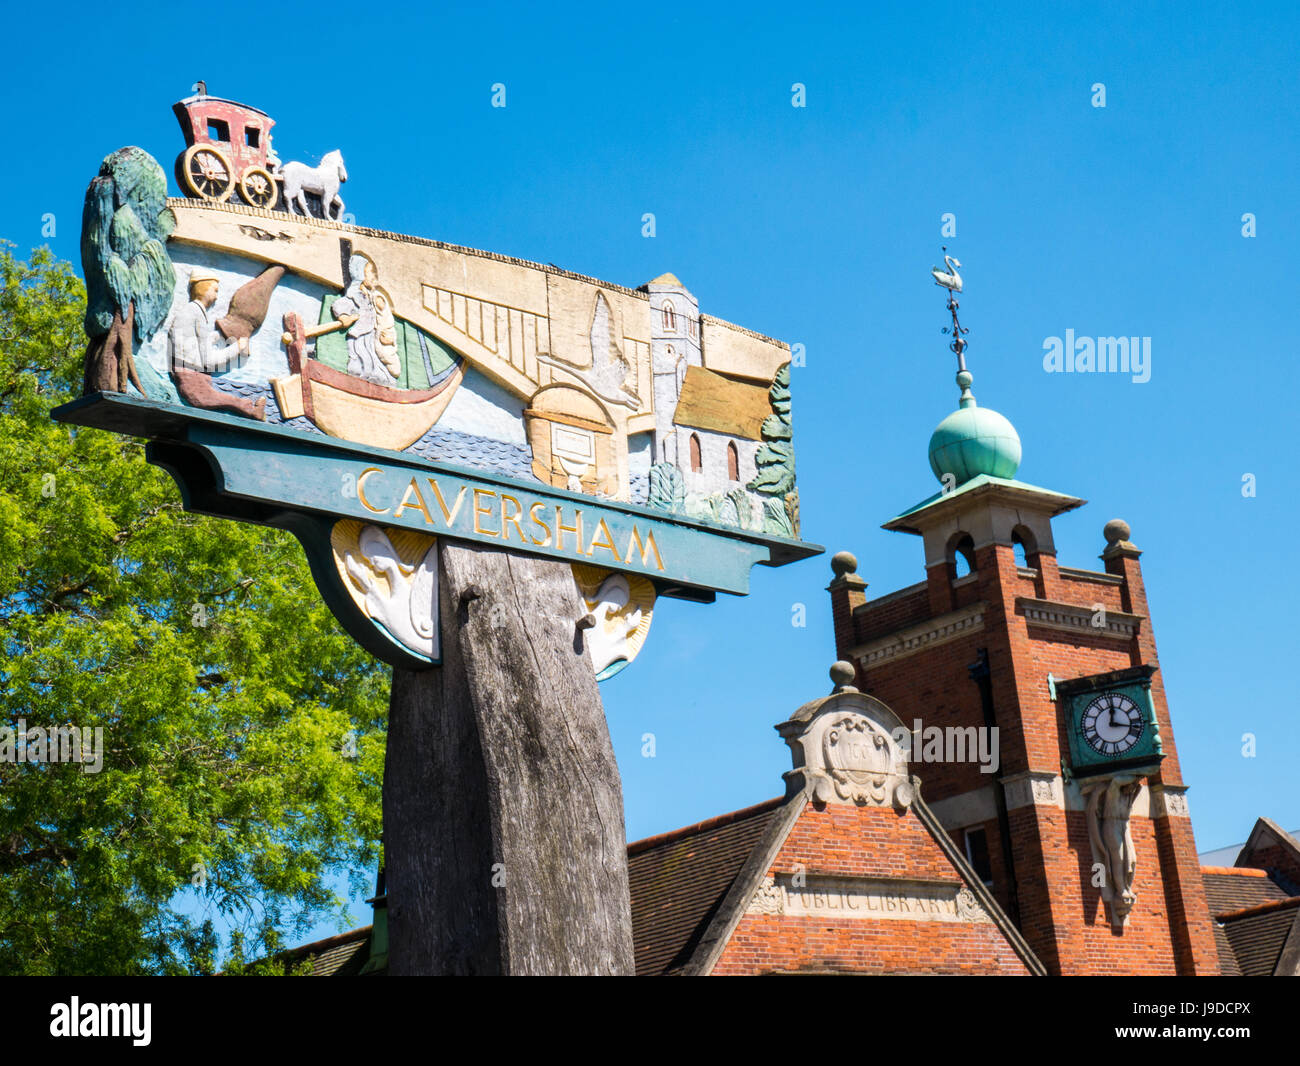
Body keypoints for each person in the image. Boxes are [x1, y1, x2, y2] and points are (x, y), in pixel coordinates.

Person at [168, 270, 266, 420]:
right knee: (230, 401)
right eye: (215, 291)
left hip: (191, 376)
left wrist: (215, 336)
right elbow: (208, 362)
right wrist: (236, 348)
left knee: (226, 399)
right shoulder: (196, 315)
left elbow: (195, 347)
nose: (216, 297)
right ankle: (253, 411)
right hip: (192, 381)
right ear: (204, 289)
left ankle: (252, 410)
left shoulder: (191, 312)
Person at [331, 253, 401, 385]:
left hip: (370, 337)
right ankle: (356, 383)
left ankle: (370, 385)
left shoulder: (371, 296)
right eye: (370, 273)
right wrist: (343, 316)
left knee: (372, 364)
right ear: (360, 275)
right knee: (359, 362)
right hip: (359, 337)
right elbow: (339, 304)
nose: (374, 277)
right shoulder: (355, 295)